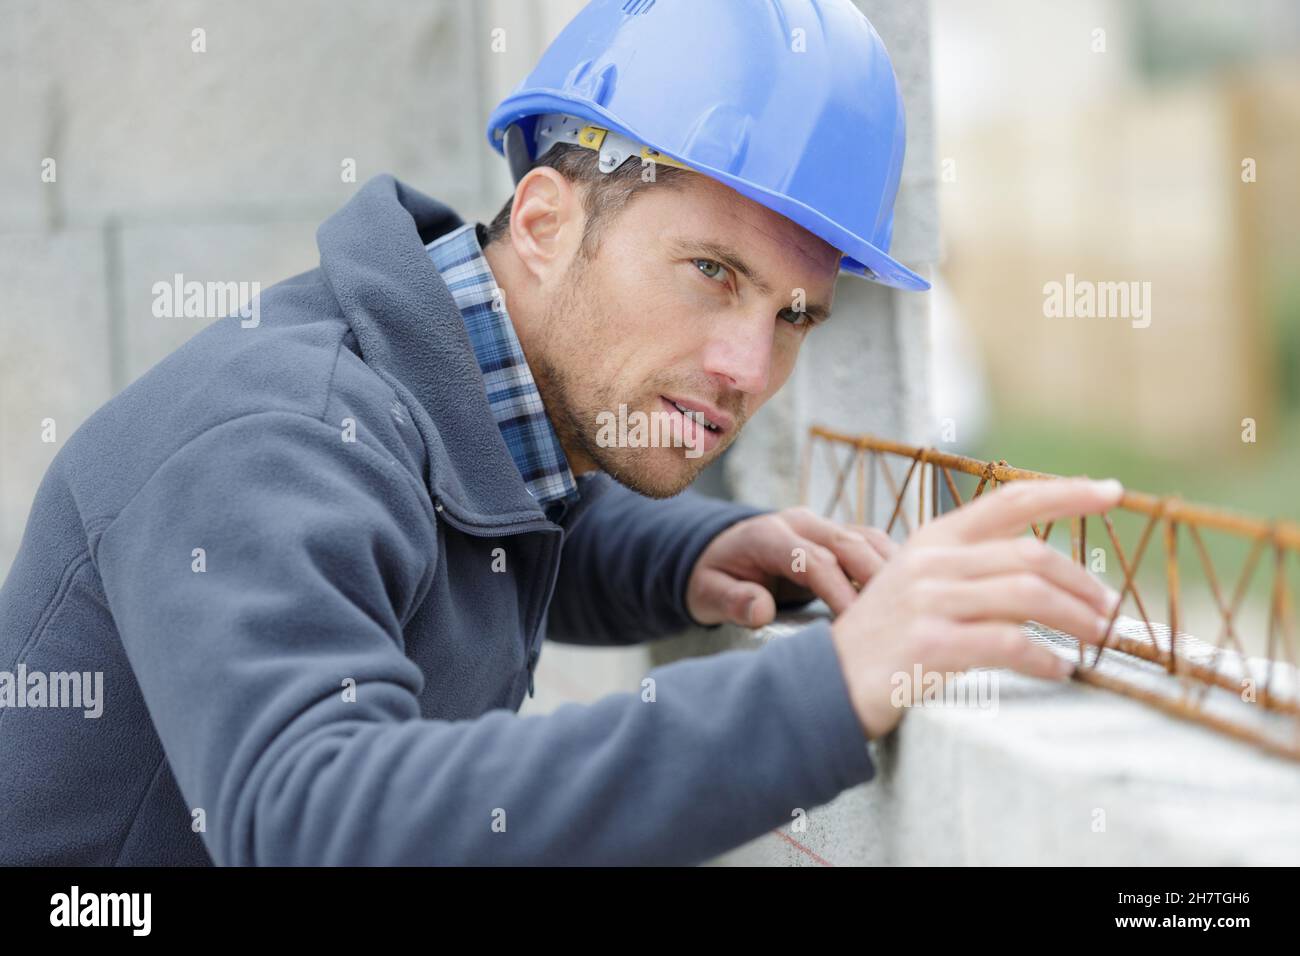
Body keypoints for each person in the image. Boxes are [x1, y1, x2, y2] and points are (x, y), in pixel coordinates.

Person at [0, 0, 1121, 865]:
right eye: (709, 272)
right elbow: (316, 821)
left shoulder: (435, 394)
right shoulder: (274, 440)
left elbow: (472, 509)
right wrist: (828, 689)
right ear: (542, 220)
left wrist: (683, 550)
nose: (748, 367)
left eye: (792, 315)